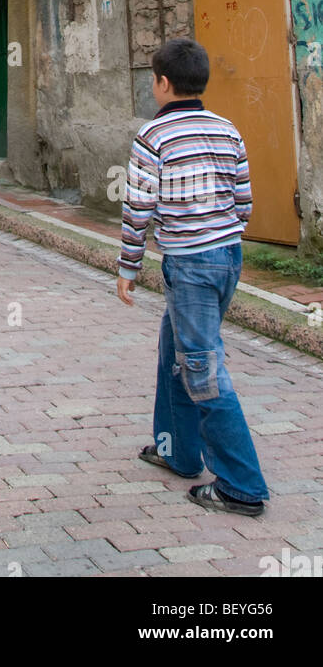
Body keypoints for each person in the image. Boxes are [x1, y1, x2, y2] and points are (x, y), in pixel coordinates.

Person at [117, 37, 269, 516]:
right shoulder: (228, 129)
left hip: (191, 264)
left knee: (202, 367)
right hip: (227, 255)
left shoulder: (153, 137)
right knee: (174, 351)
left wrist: (128, 266)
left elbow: (137, 208)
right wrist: (223, 234)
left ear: (162, 83)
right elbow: (243, 199)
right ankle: (178, 450)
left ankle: (242, 486)